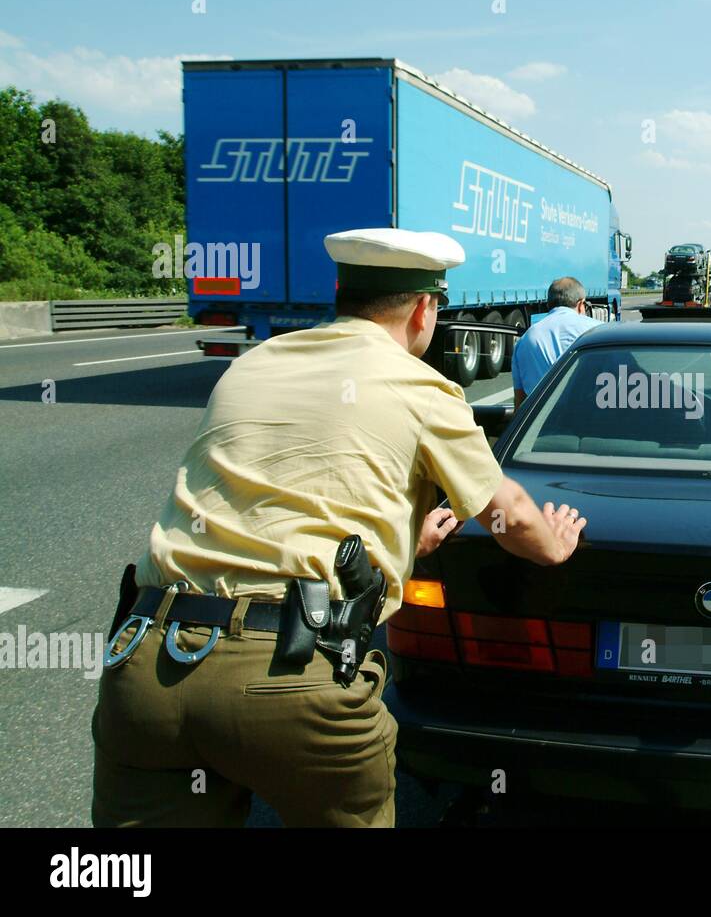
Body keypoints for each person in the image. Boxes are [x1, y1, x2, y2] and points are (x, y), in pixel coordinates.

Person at [92, 228, 587, 827]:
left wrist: (404, 543)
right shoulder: (423, 388)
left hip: (146, 665)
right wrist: (554, 547)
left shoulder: (255, 365)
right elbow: (508, 513)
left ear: (340, 292)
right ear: (425, 309)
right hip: (291, 675)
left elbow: (285, 501)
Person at [511, 276, 602, 405]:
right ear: (581, 304)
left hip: (543, 422)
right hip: (589, 416)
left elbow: (520, 402)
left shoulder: (525, 339)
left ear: (549, 304)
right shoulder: (598, 330)